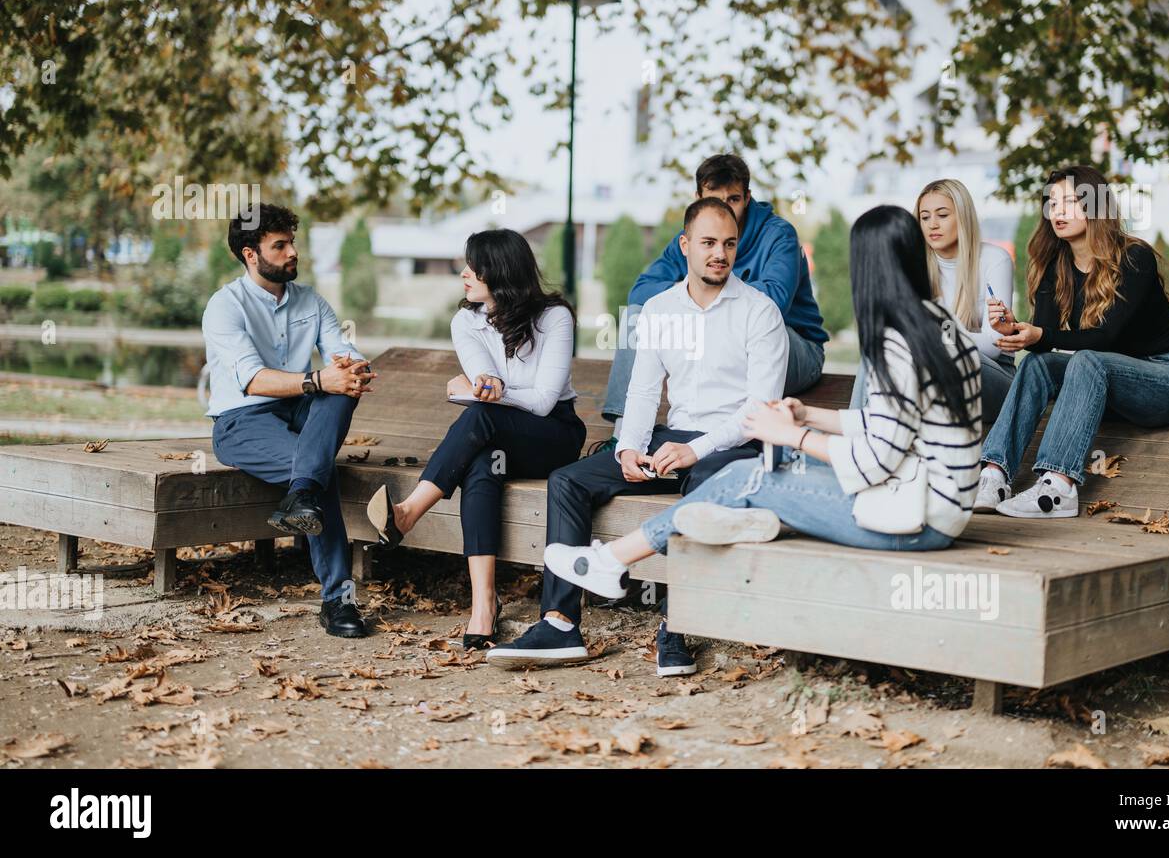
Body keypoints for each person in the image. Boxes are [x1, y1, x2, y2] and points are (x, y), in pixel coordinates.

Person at [541, 205, 982, 607]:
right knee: (754, 477)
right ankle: (586, 591)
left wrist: (792, 435)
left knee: (743, 476)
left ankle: (615, 561)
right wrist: (810, 415)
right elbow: (893, 424)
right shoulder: (940, 326)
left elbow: (874, 462)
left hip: (916, 518)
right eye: (709, 242)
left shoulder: (895, 342)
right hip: (939, 505)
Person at [486, 196, 789, 673]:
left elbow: (759, 411)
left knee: (702, 487)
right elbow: (645, 391)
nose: (720, 254)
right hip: (672, 440)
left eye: (729, 244)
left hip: (733, 447)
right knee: (569, 480)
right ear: (685, 245)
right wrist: (629, 446)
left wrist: (695, 450)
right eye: (708, 242)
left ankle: (675, 627)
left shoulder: (760, 313)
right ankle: (560, 622)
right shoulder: (660, 309)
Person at [364, 230, 586, 649]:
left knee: (484, 418)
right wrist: (480, 389)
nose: (464, 273)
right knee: (482, 465)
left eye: (474, 266)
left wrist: (484, 392)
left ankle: (410, 511)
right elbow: (485, 382)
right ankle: (483, 605)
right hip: (497, 433)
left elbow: (541, 402)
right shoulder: (466, 320)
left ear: (500, 271)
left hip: (553, 435)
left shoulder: (554, 316)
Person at [974, 164, 1169, 518]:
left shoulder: (1132, 257)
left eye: (1070, 202)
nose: (1058, 212)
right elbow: (1044, 341)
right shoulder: (1055, 263)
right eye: (1052, 203)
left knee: (1088, 358)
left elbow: (1105, 337)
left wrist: (1040, 334)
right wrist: (1017, 330)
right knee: (1037, 364)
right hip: (1113, 378)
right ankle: (994, 476)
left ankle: (1058, 488)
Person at [203, 204, 376, 638]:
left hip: (301, 417)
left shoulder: (311, 301)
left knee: (338, 399)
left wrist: (354, 369)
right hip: (242, 423)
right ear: (250, 254)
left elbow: (343, 353)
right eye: (279, 245)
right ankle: (339, 602)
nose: (292, 252)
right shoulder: (224, 307)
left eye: (291, 242)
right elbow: (254, 380)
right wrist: (321, 378)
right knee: (321, 472)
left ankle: (301, 496)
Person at [598, 154, 827, 431]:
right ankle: (622, 435)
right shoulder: (690, 237)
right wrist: (690, 292)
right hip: (717, 344)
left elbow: (774, 301)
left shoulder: (779, 235)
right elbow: (641, 291)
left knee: (762, 321)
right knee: (636, 316)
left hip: (792, 349)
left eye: (734, 199)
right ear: (698, 198)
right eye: (715, 198)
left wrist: (709, 290)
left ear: (748, 197)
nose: (724, 207)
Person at [851, 179, 1014, 429]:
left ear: (963, 217)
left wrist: (942, 331)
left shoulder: (994, 259)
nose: (932, 225)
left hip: (991, 379)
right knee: (878, 345)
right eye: (924, 217)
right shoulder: (915, 265)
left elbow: (994, 346)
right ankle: (862, 429)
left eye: (942, 215)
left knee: (941, 351)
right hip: (934, 378)